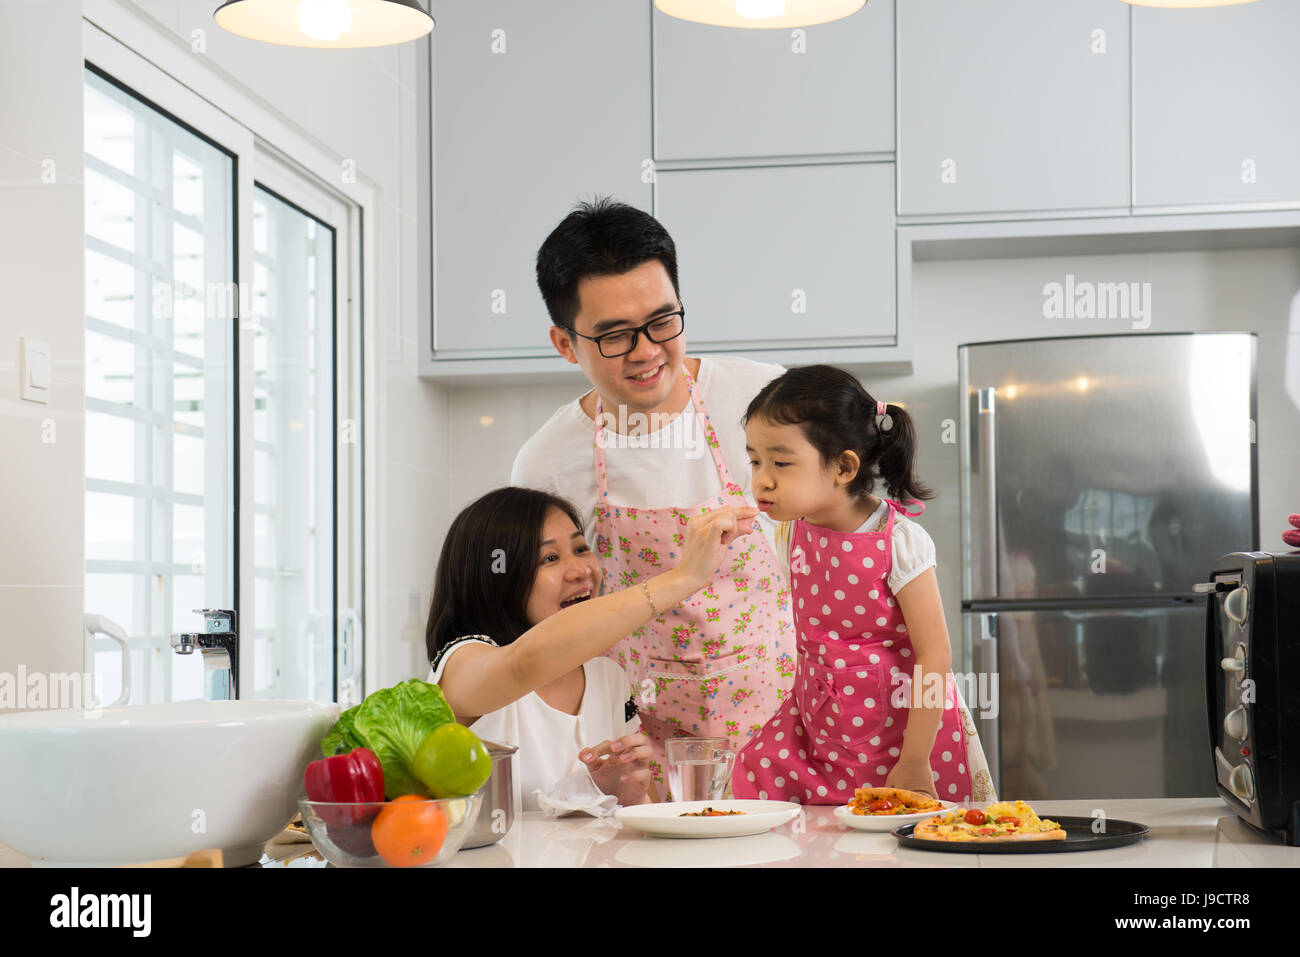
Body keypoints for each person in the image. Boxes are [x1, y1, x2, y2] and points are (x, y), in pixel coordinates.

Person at [511, 198, 798, 795]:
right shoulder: (546, 462)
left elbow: (840, 535)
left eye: (662, 321)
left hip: (786, 733)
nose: (646, 351)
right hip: (642, 757)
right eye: (614, 335)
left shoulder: (765, 397)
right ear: (565, 344)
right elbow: (546, 622)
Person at [733, 365, 995, 804]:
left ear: (843, 467)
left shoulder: (898, 541)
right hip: (820, 724)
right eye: (755, 460)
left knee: (909, 838)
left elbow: (935, 656)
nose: (762, 479)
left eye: (781, 462)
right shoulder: (787, 531)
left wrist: (915, 760)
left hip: (904, 734)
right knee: (753, 780)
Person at [426, 485, 758, 811]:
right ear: (496, 580)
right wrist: (682, 578)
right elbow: (523, 663)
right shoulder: (460, 662)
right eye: (550, 557)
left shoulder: (607, 677)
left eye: (581, 548)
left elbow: (643, 812)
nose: (582, 570)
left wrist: (624, 793)